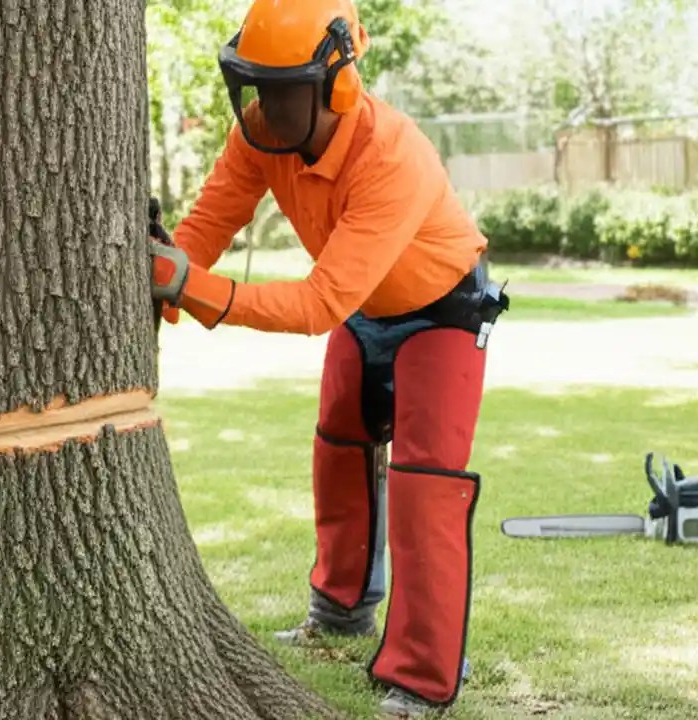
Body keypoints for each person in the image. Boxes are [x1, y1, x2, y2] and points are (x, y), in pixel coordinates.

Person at [149, 0, 509, 716]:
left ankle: (421, 680)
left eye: (284, 87)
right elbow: (212, 219)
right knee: (337, 450)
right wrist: (165, 279)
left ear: (337, 83)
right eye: (256, 85)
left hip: (440, 312)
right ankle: (340, 613)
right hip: (365, 310)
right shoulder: (260, 133)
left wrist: (193, 289)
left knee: (424, 483)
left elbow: (318, 304)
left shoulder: (391, 155)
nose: (268, 106)